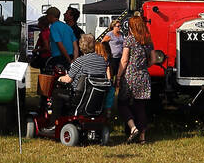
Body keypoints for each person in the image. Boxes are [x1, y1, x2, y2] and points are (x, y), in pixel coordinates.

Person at [115, 13, 153, 143]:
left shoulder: (130, 40)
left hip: (130, 76)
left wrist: (118, 76)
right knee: (141, 106)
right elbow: (153, 59)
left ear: (132, 27)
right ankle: (142, 137)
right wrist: (146, 65)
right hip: (143, 76)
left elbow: (124, 60)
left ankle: (132, 127)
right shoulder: (148, 40)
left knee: (122, 103)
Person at [52, 34, 109, 115]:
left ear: (81, 46)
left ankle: (54, 121)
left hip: (79, 96)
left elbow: (68, 79)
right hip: (97, 96)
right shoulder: (102, 60)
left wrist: (59, 78)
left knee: (56, 93)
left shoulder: (80, 61)